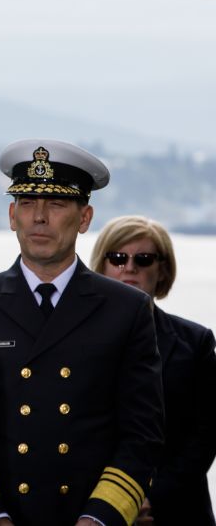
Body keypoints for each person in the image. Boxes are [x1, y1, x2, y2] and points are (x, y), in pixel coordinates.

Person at [0, 139, 163, 526]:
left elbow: (142, 436)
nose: (39, 217)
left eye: (56, 205)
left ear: (85, 217)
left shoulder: (127, 310)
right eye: (27, 204)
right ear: (12, 215)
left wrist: (99, 518)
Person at [90, 216, 216, 526]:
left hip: (175, 510)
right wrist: (111, 502)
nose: (129, 267)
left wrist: (149, 499)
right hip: (90, 509)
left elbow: (205, 436)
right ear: (101, 266)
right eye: (117, 257)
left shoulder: (195, 342)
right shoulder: (70, 338)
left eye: (143, 259)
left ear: (162, 270)